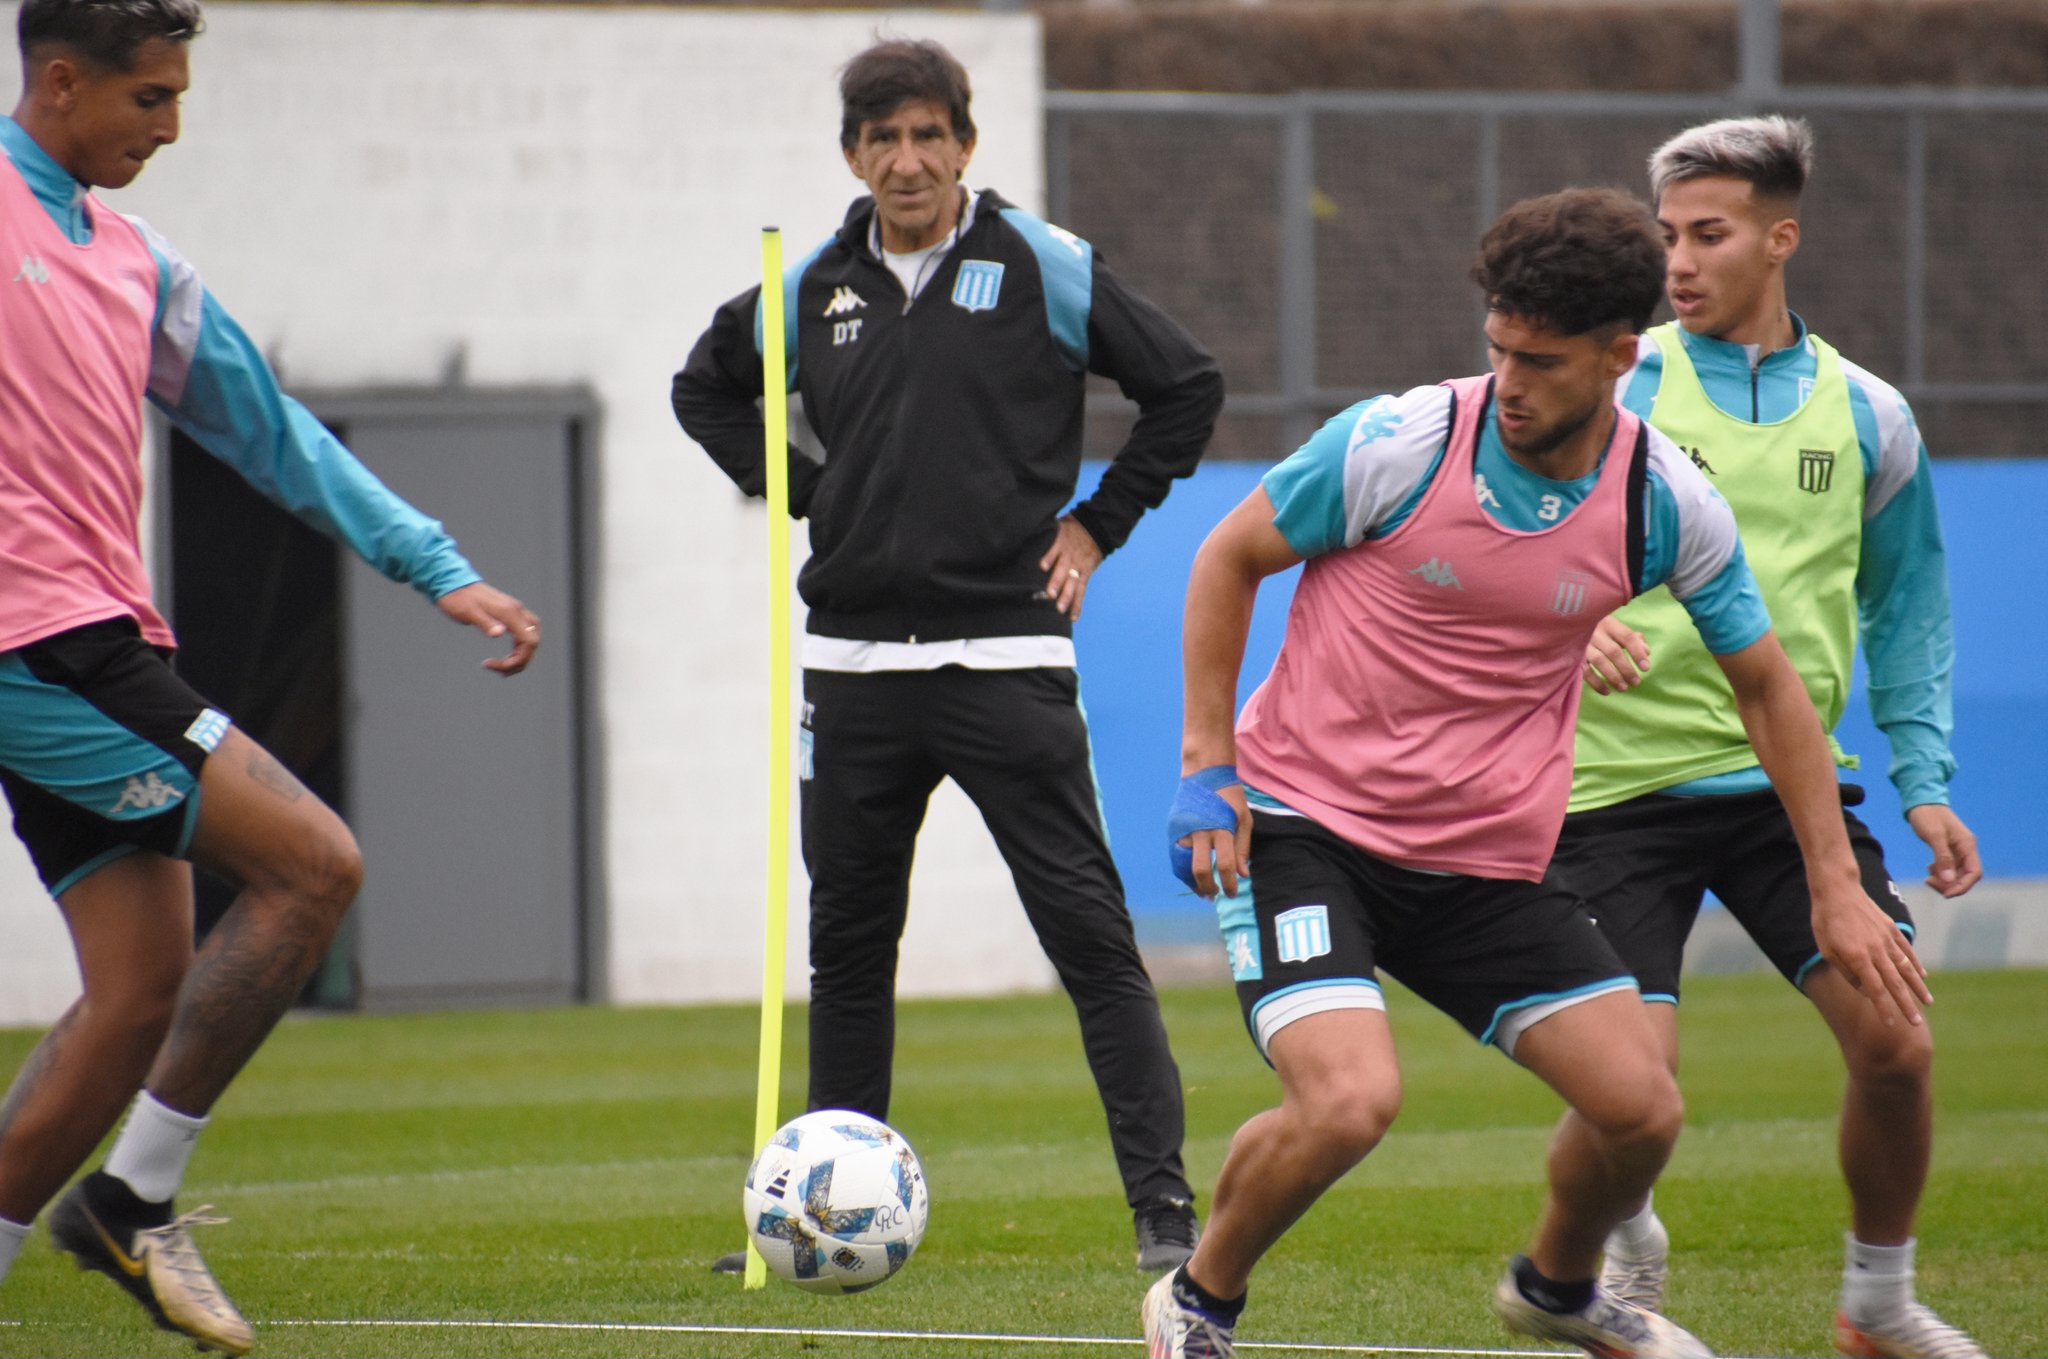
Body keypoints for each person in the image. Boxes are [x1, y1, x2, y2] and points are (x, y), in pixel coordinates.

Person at [1148, 187, 1934, 1359]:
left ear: (1620, 357)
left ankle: (1556, 1289)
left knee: (1639, 1109)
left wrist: (1831, 879)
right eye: (1497, 351)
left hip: (1482, 867)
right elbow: (1229, 555)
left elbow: (1767, 686)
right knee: (1350, 1102)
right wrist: (1207, 766)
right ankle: (1197, 1299)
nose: (1509, 382)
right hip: (1304, 829)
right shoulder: (1396, 443)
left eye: (1541, 361)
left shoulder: (1659, 498)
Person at [0, 1, 541, 1352]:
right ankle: (132, 1200)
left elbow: (272, 430)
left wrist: (434, 564)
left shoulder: (131, 258)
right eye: (149, 100)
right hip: (42, 646)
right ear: (60, 82)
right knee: (315, 862)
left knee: (134, 996)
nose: (171, 128)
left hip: (107, 637)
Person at [672, 37, 1221, 1273]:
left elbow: (1184, 385)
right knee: (850, 954)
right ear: (853, 156)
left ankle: (1164, 1215)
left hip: (1005, 663)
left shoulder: (1044, 263)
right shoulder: (811, 284)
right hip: (852, 674)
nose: (907, 160)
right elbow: (702, 388)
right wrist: (807, 486)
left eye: (929, 135)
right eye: (883, 138)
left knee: (1089, 941)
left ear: (965, 145)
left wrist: (1094, 525)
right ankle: (817, 1220)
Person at [1553, 117, 1984, 1359]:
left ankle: (1877, 1300)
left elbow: (1907, 607)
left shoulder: (1867, 415)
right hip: (1610, 785)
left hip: (1780, 793)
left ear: (1778, 238)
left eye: (1708, 234)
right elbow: (1508, 545)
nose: (1676, 261)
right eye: (1665, 236)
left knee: (1896, 1042)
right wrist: (1573, 629)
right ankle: (1621, 1242)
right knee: (1637, 1094)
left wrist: (1921, 777)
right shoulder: (1612, 383)